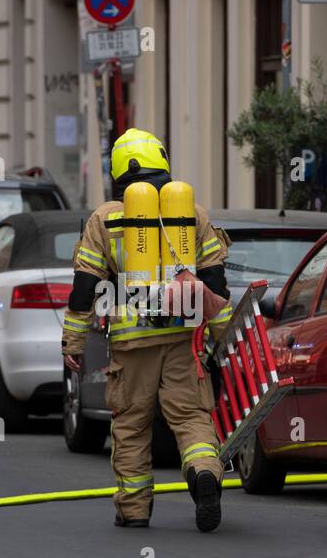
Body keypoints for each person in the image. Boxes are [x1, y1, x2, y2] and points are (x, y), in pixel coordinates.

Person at [60, 128, 233, 531]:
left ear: (118, 173)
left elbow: (85, 288)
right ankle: (204, 471)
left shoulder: (104, 219)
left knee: (131, 424)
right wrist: (222, 339)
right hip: (181, 337)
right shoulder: (192, 213)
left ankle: (134, 510)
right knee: (191, 418)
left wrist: (73, 341)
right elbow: (215, 284)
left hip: (131, 342)